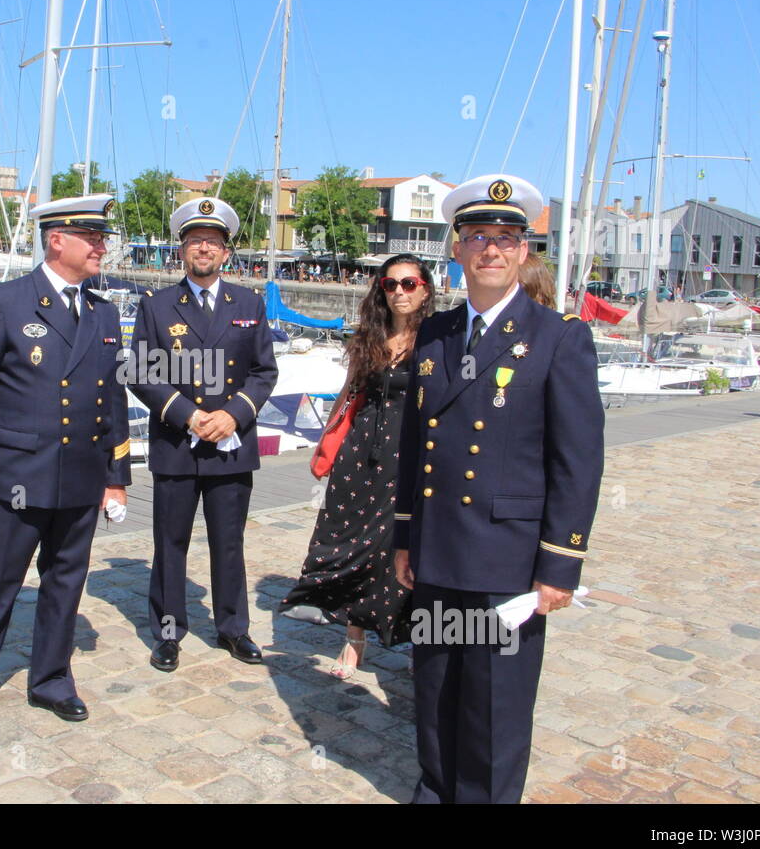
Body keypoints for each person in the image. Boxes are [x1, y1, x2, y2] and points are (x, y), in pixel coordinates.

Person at [393, 174, 604, 803]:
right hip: (437, 550)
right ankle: (436, 789)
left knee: (494, 701)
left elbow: (577, 460)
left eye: (507, 238)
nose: (492, 249)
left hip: (504, 557)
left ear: (524, 252)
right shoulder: (434, 334)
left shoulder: (558, 336)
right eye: (478, 236)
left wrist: (559, 565)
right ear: (456, 250)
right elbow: (413, 448)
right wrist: (404, 538)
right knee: (434, 687)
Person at [0, 194, 131, 722]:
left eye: (103, 237)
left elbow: (113, 397)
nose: (103, 246)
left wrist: (116, 476)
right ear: (57, 240)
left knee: (65, 582)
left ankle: (52, 678)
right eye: (93, 238)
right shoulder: (4, 301)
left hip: (80, 477)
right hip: (16, 476)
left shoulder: (102, 311)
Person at [129, 197, 278, 672]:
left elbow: (263, 372)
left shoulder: (249, 303)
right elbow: (142, 372)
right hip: (177, 442)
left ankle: (234, 628)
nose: (204, 249)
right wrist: (190, 415)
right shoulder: (156, 306)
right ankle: (169, 632)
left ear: (226, 252)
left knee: (229, 540)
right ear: (182, 251)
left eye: (212, 242)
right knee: (169, 542)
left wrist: (234, 414)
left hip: (231, 445)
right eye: (195, 242)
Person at [280, 255, 433, 677]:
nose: (399, 292)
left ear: (425, 289)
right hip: (361, 450)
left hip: (410, 453)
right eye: (390, 284)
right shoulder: (369, 336)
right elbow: (350, 394)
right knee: (350, 540)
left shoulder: (437, 340)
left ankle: (415, 640)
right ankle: (353, 640)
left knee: (399, 548)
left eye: (408, 283)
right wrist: (328, 443)